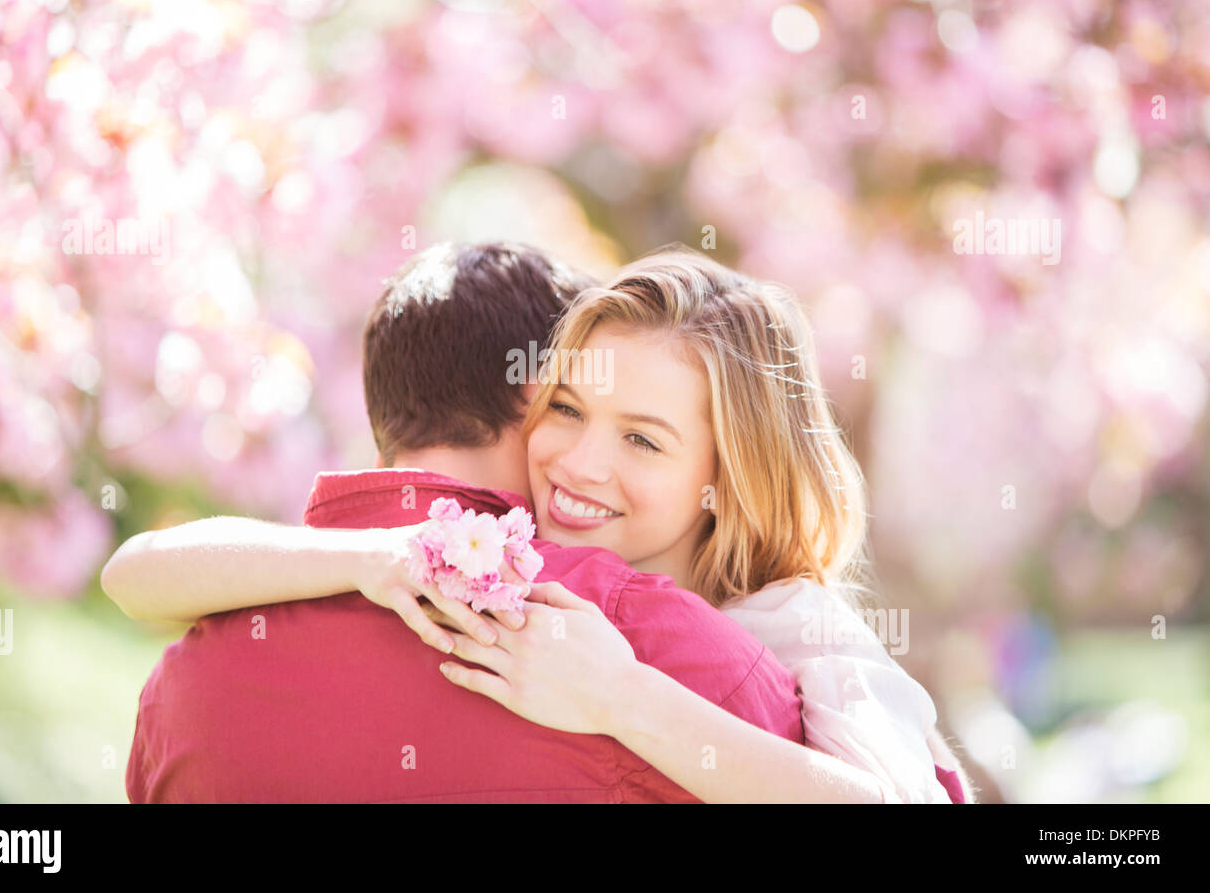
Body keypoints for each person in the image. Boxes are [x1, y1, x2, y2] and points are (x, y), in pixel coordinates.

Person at [108, 242, 971, 802]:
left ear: (729, 479)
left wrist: (621, 697)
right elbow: (135, 574)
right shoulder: (485, 573)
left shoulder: (793, 639)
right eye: (567, 407)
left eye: (642, 438)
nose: (579, 464)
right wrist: (379, 552)